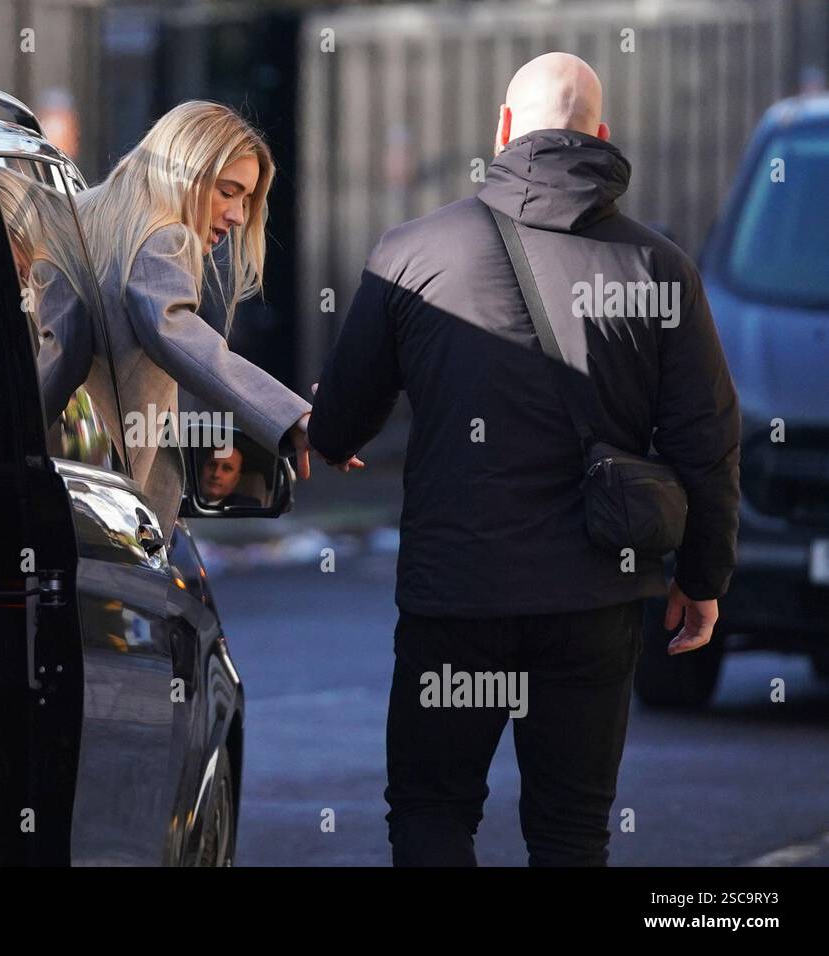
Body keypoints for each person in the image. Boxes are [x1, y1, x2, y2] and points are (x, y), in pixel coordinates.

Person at [308, 53, 740, 866]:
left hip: (456, 601)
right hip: (593, 601)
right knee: (570, 832)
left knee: (434, 810)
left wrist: (329, 427)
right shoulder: (660, 269)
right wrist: (704, 579)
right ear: (602, 138)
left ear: (503, 129)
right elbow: (707, 438)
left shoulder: (412, 253)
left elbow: (335, 430)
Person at [44, 100, 361, 539]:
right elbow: (178, 337)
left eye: (247, 199)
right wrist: (295, 419)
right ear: (185, 172)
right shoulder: (163, 237)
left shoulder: (78, 218)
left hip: (49, 493)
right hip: (103, 519)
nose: (237, 216)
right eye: (227, 192)